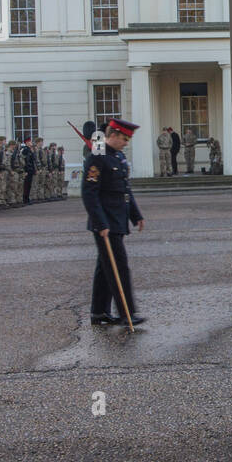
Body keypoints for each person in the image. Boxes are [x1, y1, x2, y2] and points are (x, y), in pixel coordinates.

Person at [82, 118, 145, 327]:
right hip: (106, 222)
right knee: (118, 267)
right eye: (124, 138)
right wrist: (101, 223)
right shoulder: (98, 157)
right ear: (114, 135)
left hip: (117, 219)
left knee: (105, 267)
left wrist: (136, 215)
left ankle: (99, 312)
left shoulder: (118, 156)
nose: (126, 142)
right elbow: (89, 193)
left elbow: (124, 189)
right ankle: (127, 312)